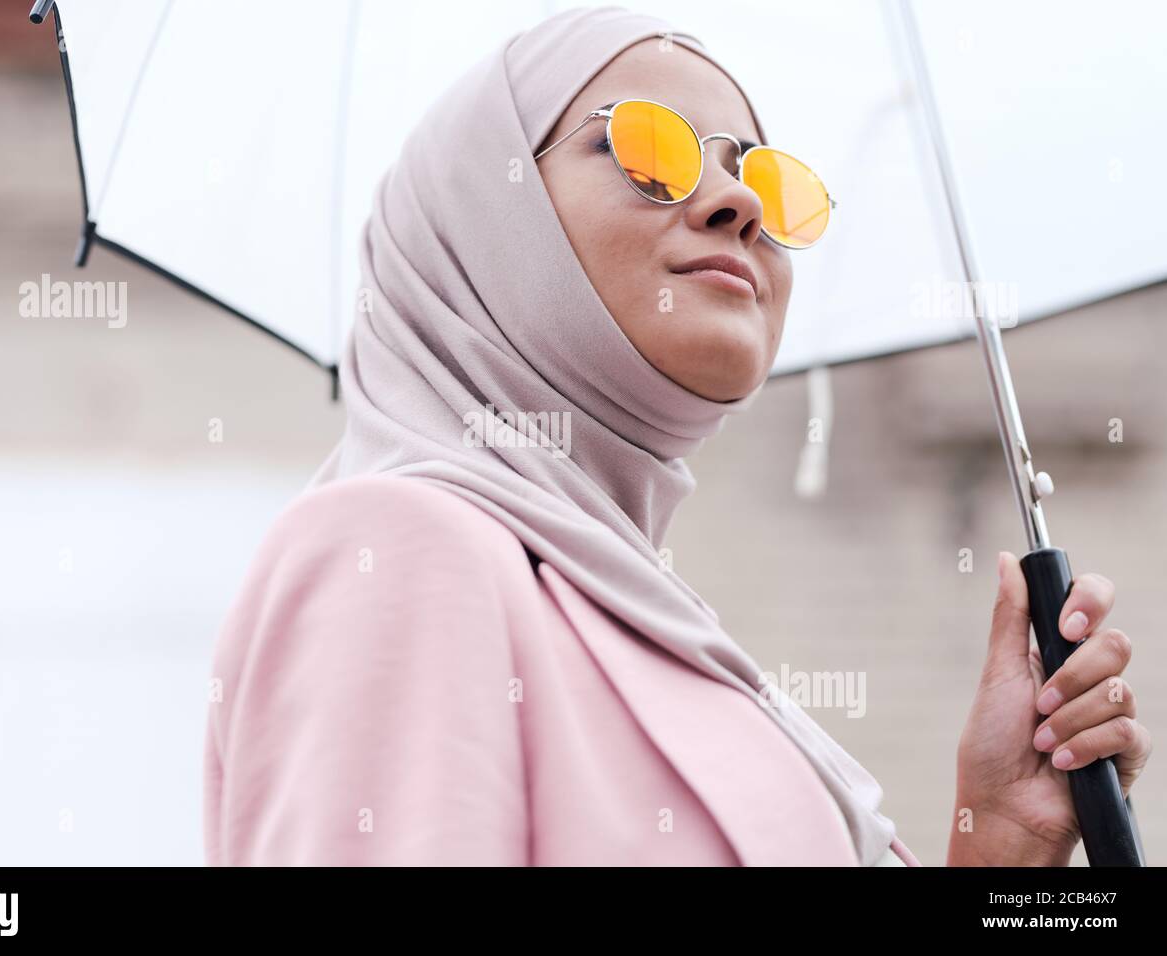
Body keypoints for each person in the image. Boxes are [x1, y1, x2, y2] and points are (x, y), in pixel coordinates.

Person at [202, 5, 1150, 866]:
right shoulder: (397, 549)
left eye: (765, 180)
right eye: (651, 152)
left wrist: (1004, 843)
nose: (737, 206)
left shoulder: (654, 624)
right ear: (486, 218)